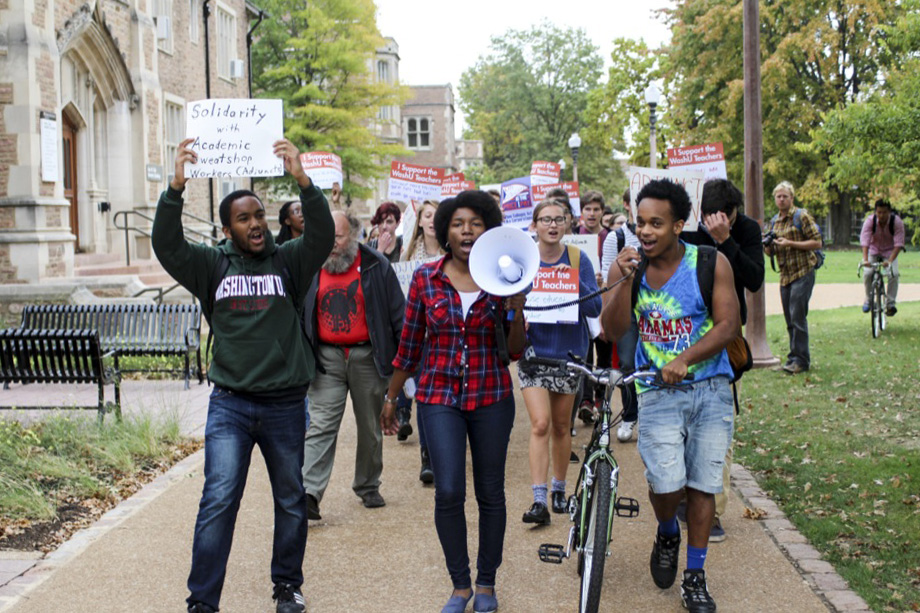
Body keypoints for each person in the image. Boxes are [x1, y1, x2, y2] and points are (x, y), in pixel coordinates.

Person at [153, 137, 334, 613]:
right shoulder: (210, 264)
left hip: (284, 404)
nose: (255, 224)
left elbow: (320, 234)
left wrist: (302, 179)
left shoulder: (289, 260)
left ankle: (287, 587)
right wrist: (175, 188)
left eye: (258, 215)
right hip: (230, 404)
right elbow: (166, 244)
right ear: (227, 228)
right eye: (243, 218)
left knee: (292, 501)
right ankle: (202, 602)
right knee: (218, 502)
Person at [380, 191, 526, 613]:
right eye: (458, 223)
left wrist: (516, 310)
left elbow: (515, 351)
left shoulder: (503, 277)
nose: (467, 230)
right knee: (447, 491)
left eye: (476, 223)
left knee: (490, 493)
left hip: (491, 397)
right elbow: (409, 348)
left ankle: (486, 584)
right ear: (445, 230)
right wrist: (392, 396)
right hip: (438, 396)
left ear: (487, 230)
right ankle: (459, 585)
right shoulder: (426, 279)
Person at [601, 178, 738, 613]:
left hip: (711, 390)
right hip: (656, 393)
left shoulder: (710, 263)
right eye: (640, 222)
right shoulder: (628, 267)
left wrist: (686, 359)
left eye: (656, 223)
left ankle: (694, 577)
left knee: (702, 486)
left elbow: (727, 326)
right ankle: (666, 531)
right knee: (666, 483)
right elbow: (613, 330)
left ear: (679, 225)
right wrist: (624, 282)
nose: (644, 231)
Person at [300, 210, 405, 519]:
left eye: (338, 237)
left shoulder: (376, 265)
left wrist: (402, 364)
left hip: (366, 356)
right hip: (326, 357)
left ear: (354, 235)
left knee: (370, 425)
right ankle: (309, 492)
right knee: (320, 424)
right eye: (326, 237)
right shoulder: (310, 265)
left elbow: (397, 315)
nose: (331, 244)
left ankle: (368, 484)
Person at [681, 178, 765, 543]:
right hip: (682, 338)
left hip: (725, 340)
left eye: (726, 218)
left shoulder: (745, 230)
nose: (718, 222)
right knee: (682, 425)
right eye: (711, 218)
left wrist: (724, 241)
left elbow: (754, 279)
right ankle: (687, 497)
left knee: (718, 427)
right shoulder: (683, 229)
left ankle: (712, 509)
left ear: (734, 214)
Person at [519, 200, 601, 525]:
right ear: (535, 225)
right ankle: (538, 499)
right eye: (545, 220)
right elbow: (509, 297)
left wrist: (572, 282)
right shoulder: (525, 259)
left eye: (558, 219)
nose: (552, 225)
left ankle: (559, 489)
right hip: (532, 352)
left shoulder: (579, 259)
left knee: (561, 425)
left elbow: (595, 307)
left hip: (567, 353)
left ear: (567, 224)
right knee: (540, 424)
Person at [399, 199, 445, 482]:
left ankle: (436, 451)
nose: (431, 220)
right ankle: (428, 455)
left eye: (436, 216)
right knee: (422, 394)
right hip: (419, 335)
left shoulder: (452, 255)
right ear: (420, 220)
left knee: (437, 396)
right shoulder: (407, 257)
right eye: (427, 215)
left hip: (443, 335)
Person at [763, 181, 821, 374]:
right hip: (785, 275)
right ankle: (793, 357)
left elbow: (817, 242)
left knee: (797, 316)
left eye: (785, 196)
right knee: (789, 318)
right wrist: (768, 246)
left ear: (792, 198)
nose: (781, 199)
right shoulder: (774, 222)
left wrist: (790, 243)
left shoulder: (801, 216)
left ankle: (801, 360)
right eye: (778, 196)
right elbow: (771, 252)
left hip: (803, 272)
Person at [600, 188, 641, 442]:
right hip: (627, 308)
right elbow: (606, 279)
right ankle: (630, 413)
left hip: (654, 307)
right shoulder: (615, 238)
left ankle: (647, 412)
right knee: (627, 363)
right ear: (626, 205)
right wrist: (606, 316)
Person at [860, 198, 905, 317]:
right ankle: (868, 300)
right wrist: (865, 260)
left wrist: (889, 261)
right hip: (873, 251)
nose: (881, 215)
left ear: (889, 212)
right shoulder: (870, 221)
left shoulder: (897, 222)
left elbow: (899, 244)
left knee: (893, 273)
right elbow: (865, 241)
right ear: (875, 212)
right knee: (868, 273)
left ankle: (890, 304)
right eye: (879, 212)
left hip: (890, 252)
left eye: (884, 212)